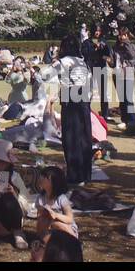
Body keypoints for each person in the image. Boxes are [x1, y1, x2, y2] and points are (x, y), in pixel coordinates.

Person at [45, 34, 93, 185]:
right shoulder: (83, 62)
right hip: (84, 101)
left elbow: (45, 76)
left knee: (71, 139)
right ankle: (86, 174)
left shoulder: (63, 62)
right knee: (84, 138)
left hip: (70, 101)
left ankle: (74, 175)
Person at [33, 164, 78, 240]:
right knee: (42, 221)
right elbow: (39, 219)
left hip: (66, 228)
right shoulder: (40, 198)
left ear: (53, 182)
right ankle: (44, 240)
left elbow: (70, 219)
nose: (40, 178)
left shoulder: (61, 199)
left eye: (44, 177)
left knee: (57, 224)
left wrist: (56, 215)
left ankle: (74, 242)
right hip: (49, 228)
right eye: (41, 176)